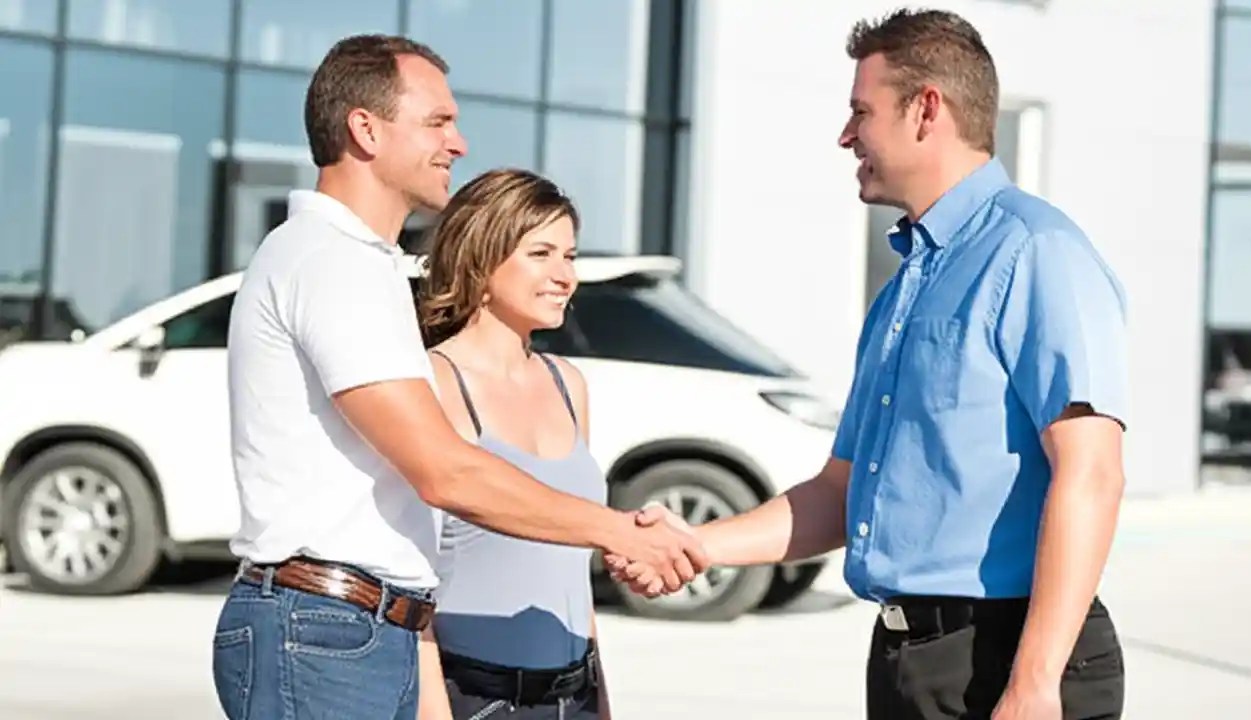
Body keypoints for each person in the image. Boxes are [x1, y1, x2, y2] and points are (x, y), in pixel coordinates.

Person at [614, 8, 1128, 720]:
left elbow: (1092, 471)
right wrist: (697, 544)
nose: (846, 135)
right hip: (907, 663)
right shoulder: (903, 290)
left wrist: (1034, 683)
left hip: (1011, 662)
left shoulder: (1037, 252)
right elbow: (839, 493)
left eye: (861, 111)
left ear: (925, 109)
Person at [212, 34, 704, 720]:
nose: (459, 143)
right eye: (438, 121)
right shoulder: (330, 262)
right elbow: (447, 472)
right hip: (323, 630)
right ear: (366, 129)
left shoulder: (362, 265)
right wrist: (620, 531)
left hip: (349, 629)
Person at [408, 168, 609, 719]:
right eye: (541, 253)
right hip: (475, 698)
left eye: (570, 256)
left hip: (574, 695)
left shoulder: (569, 384)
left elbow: (573, 568)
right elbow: (412, 584)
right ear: (482, 261)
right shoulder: (433, 383)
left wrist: (602, 701)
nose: (564, 275)